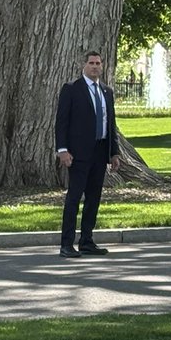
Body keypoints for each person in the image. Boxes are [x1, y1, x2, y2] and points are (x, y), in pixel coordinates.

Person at [55, 50, 120, 257]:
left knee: (94, 198)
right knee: (74, 197)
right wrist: (62, 150)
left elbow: (111, 125)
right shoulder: (72, 89)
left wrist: (114, 152)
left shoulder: (106, 92)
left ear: (102, 66)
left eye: (98, 63)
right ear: (84, 65)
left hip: (100, 152)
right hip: (78, 154)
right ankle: (66, 244)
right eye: (91, 63)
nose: (95, 66)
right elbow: (61, 122)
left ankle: (86, 241)